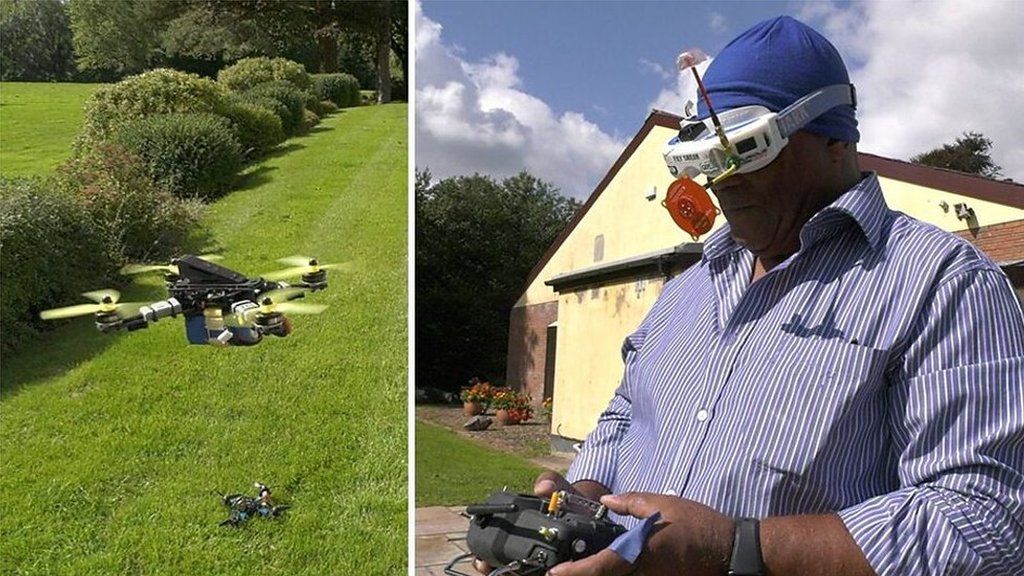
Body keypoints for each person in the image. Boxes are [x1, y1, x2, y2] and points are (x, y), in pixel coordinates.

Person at [476, 15, 1024, 576]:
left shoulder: (943, 282)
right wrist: (574, 505)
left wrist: (735, 548)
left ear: (835, 136)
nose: (722, 181)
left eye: (747, 151)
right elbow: (625, 418)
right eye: (707, 161)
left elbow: (985, 520)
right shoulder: (687, 290)